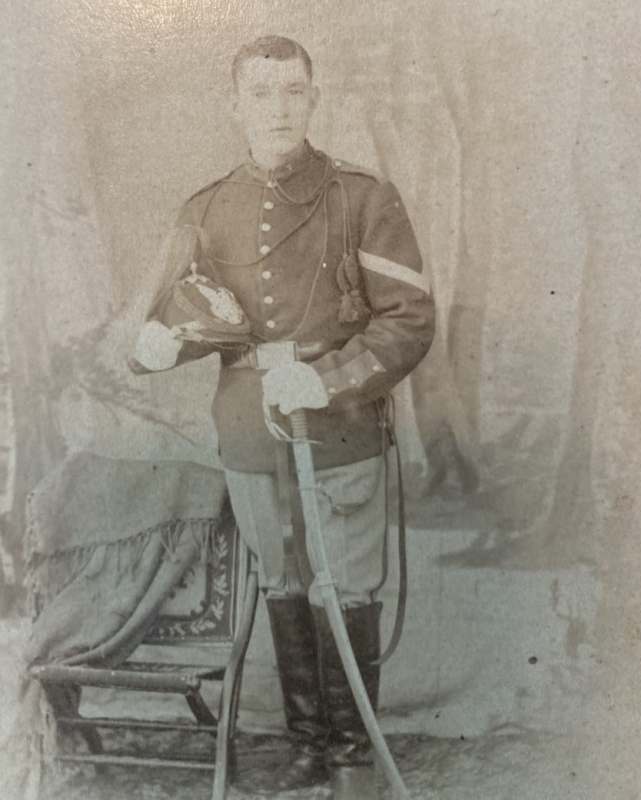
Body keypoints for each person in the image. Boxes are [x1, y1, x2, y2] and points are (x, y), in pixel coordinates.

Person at [130, 34, 435, 799]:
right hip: (247, 434)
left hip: (338, 433)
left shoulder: (362, 196)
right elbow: (174, 319)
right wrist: (160, 341)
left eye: (292, 91)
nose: (277, 108)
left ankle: (352, 756)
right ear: (234, 105)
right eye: (260, 93)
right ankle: (308, 746)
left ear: (314, 99)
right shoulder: (205, 207)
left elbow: (408, 320)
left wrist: (325, 379)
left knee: (347, 588)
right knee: (282, 583)